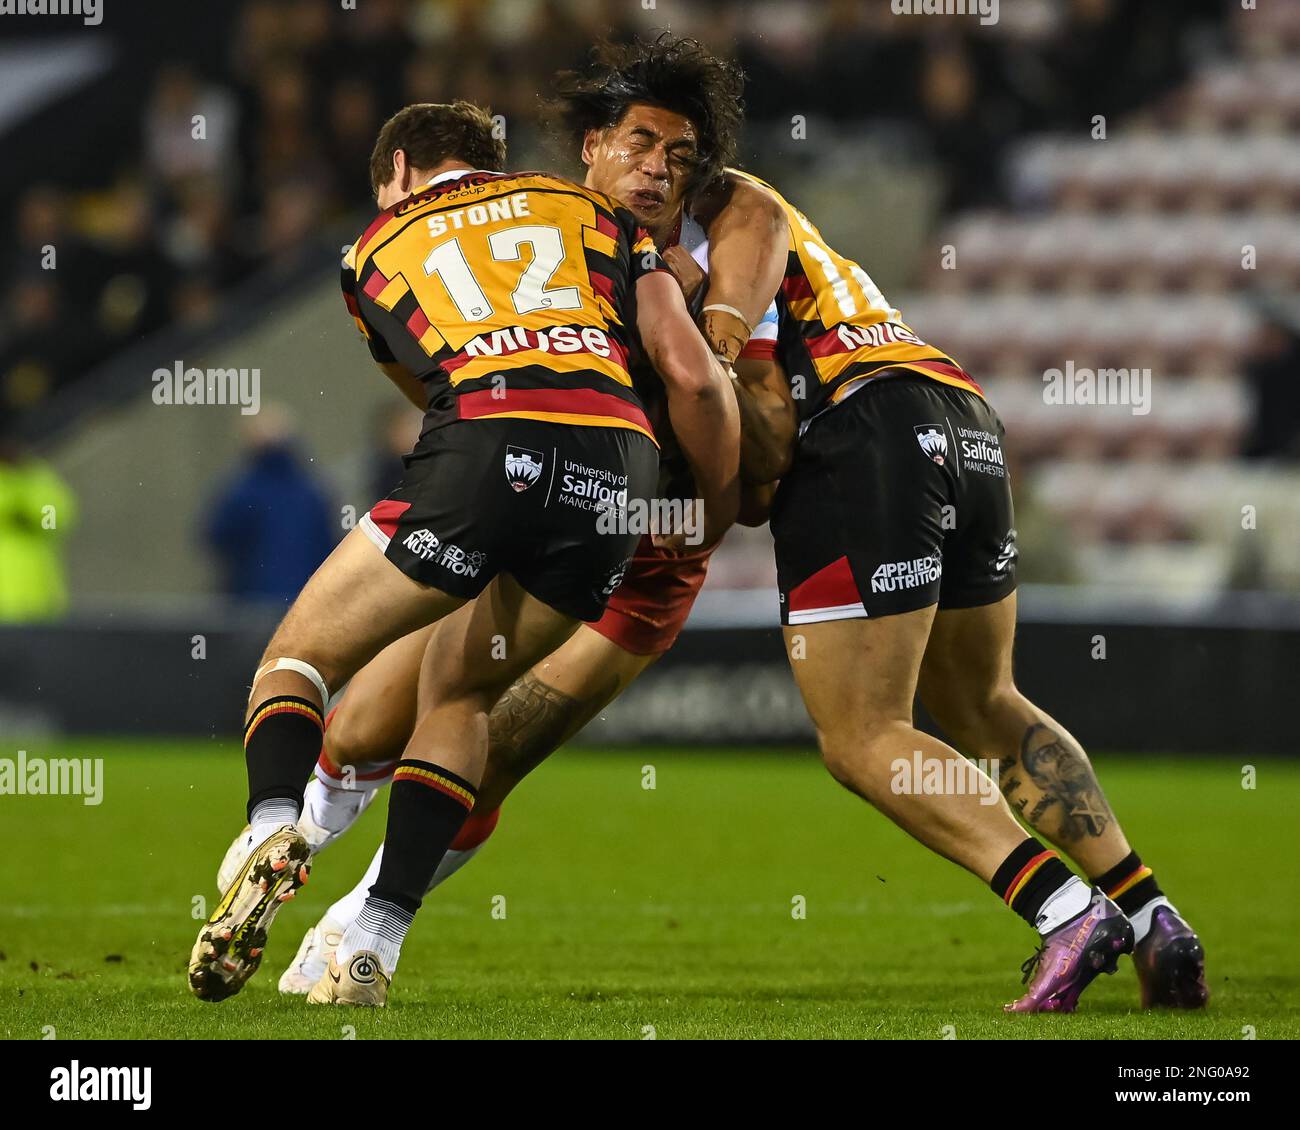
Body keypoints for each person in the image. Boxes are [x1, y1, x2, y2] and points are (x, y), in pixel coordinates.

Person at [187, 98, 740, 1006]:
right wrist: (712, 510)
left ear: (400, 170)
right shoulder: (586, 208)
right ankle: (374, 942)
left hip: (487, 440)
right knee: (464, 693)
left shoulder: (371, 247)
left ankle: (270, 827)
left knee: (299, 659)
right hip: (619, 465)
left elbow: (423, 383)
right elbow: (685, 368)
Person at [204, 405, 338, 604]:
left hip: (253, 598)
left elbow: (217, 537)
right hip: (300, 597)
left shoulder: (241, 490)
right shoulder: (312, 489)